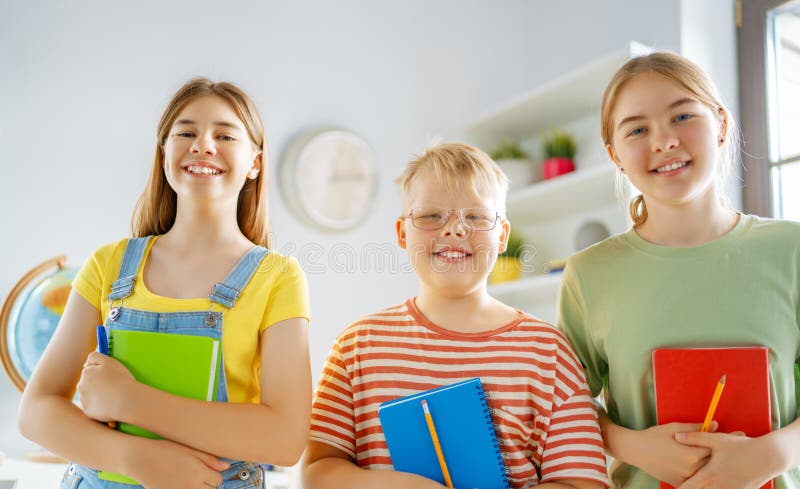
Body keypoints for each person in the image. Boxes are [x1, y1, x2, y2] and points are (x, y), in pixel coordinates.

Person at [18, 78, 311, 489]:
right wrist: (136, 458)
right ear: (163, 154)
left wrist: (130, 401)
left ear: (255, 163)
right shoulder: (107, 265)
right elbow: (36, 411)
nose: (203, 145)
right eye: (186, 133)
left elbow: (284, 439)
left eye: (225, 135)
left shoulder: (277, 277)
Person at [302, 142, 609, 489]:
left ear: (502, 236)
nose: (454, 229)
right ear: (402, 233)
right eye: (431, 216)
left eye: (476, 217)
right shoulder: (356, 346)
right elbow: (317, 473)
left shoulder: (547, 351)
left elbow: (582, 483)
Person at [558, 51, 800, 489]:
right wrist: (633, 446)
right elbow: (565, 408)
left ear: (721, 125)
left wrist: (771, 454)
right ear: (615, 156)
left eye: (682, 116)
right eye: (637, 129)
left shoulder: (792, 250)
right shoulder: (587, 275)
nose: (664, 141)